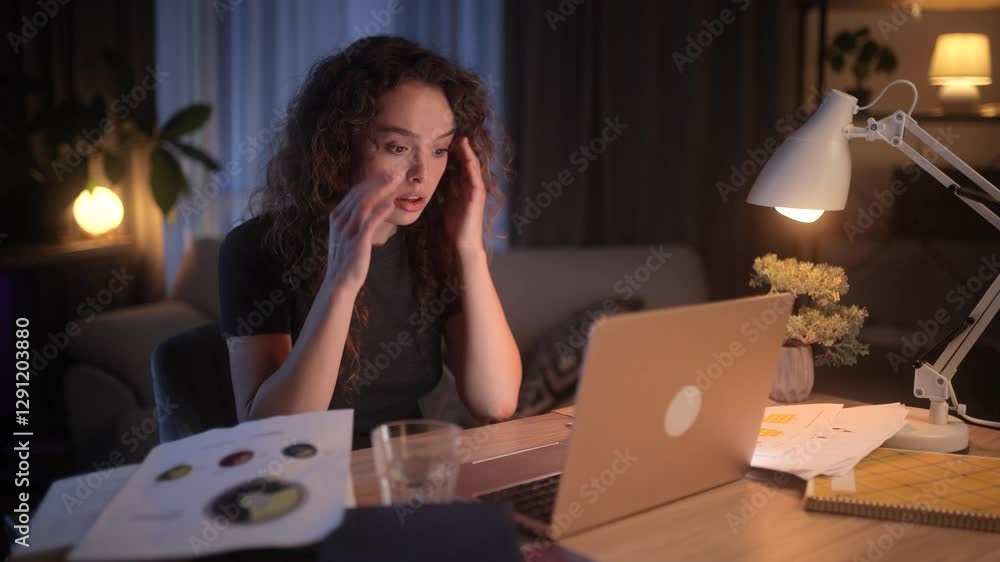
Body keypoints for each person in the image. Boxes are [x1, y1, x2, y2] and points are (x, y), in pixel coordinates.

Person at [218, 36, 522, 449]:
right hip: (299, 485)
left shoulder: (434, 247)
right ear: (341, 145)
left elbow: (496, 401)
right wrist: (341, 285)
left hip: (402, 473)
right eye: (398, 147)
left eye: (439, 150)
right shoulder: (255, 248)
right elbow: (273, 435)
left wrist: (470, 250)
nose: (421, 174)